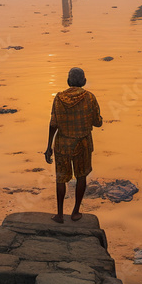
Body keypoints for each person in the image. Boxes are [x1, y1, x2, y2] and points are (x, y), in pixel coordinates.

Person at [44, 67, 102, 223]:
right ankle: (76, 212)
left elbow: (53, 124)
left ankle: (60, 215)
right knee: (81, 176)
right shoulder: (90, 98)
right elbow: (98, 122)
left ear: (68, 81)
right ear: (83, 81)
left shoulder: (58, 98)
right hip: (82, 142)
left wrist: (48, 147)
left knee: (61, 179)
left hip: (62, 143)